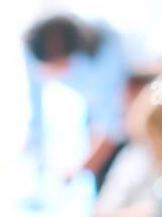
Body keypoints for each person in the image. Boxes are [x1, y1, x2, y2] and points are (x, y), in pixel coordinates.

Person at [23, 14, 131, 190]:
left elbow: (113, 127)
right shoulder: (36, 48)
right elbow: (35, 118)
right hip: (104, 116)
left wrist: (79, 171)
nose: (46, 74)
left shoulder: (106, 54)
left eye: (53, 68)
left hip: (140, 103)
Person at [92, 70, 162, 217]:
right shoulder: (131, 155)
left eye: (132, 101)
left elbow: (159, 210)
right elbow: (103, 210)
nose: (126, 109)